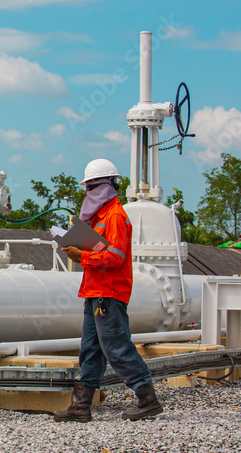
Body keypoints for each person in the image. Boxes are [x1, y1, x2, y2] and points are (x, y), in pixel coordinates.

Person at [55, 158, 163, 422]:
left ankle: (147, 399)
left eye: (92, 187)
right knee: (90, 349)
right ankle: (80, 407)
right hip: (95, 292)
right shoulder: (99, 217)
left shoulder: (114, 216)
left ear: (106, 187)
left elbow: (115, 257)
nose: (87, 193)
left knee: (116, 347)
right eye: (87, 187)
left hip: (109, 294)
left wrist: (82, 255)